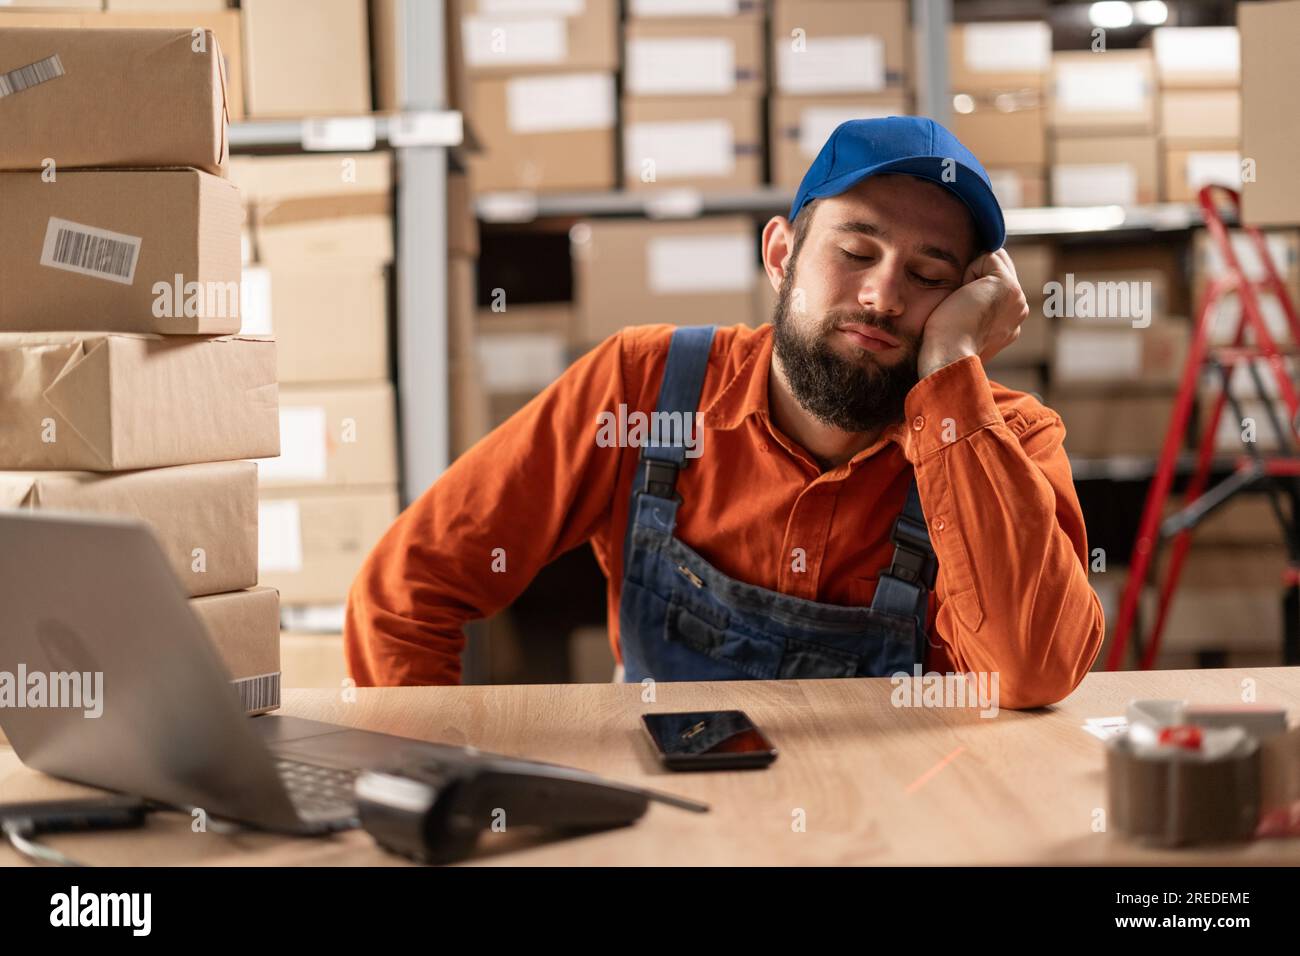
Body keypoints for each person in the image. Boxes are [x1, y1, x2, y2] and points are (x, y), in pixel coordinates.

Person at [344, 116, 1104, 709]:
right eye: (857, 251)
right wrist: (431, 788)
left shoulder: (1006, 440)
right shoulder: (641, 388)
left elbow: (1031, 671)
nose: (884, 295)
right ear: (781, 256)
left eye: (929, 274)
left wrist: (949, 374)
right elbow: (407, 590)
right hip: (670, 825)